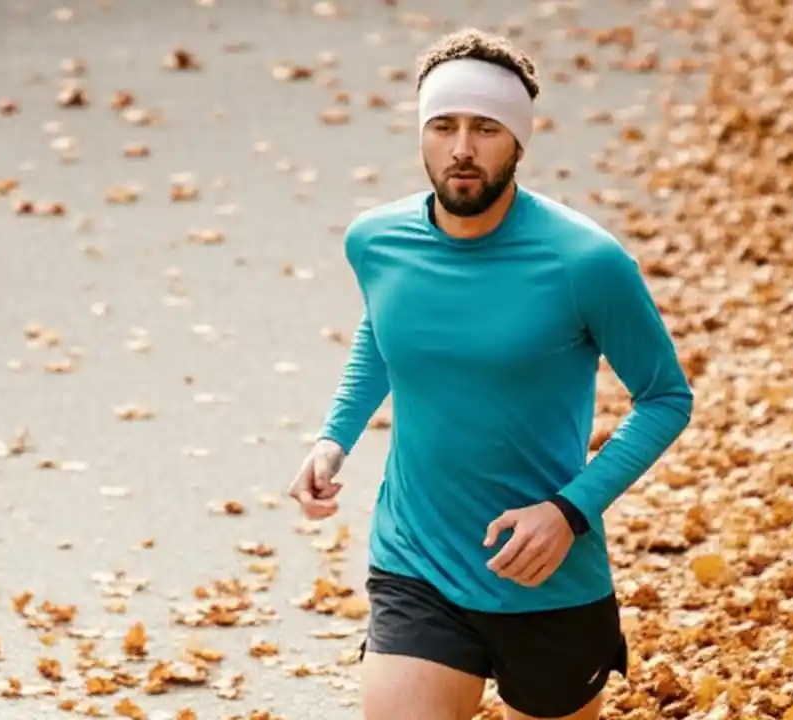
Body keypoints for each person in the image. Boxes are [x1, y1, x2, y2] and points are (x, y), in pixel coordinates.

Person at [287, 27, 694, 720]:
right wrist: (335, 437)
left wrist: (569, 512)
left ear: (519, 142)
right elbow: (387, 332)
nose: (463, 148)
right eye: (443, 126)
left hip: (545, 576)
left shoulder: (586, 263)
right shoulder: (377, 241)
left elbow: (665, 398)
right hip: (416, 560)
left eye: (486, 128)